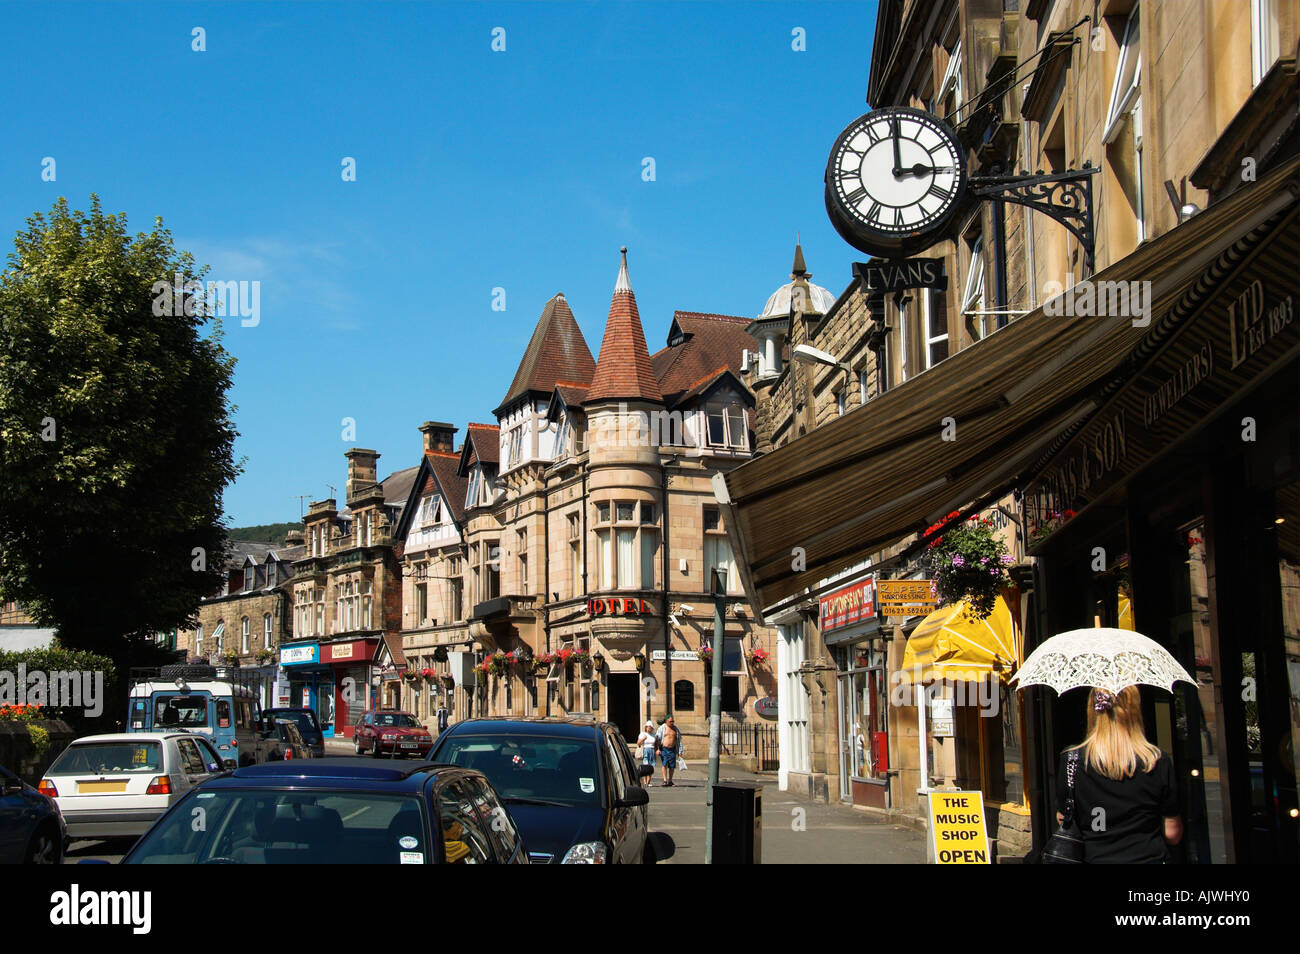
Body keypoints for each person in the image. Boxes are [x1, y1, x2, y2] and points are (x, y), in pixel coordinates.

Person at [1055, 686, 1184, 863]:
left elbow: (1064, 818)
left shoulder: (1072, 760)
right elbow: (1172, 834)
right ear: (1135, 711)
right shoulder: (1156, 761)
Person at [656, 716, 682, 787]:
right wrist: (658, 749)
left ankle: (670, 780)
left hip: (672, 749)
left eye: (673, 721)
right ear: (666, 721)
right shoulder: (662, 728)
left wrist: (680, 751)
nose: (672, 723)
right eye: (670, 721)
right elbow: (657, 739)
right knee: (664, 764)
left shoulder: (675, 729)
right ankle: (665, 780)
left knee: (672, 766)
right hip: (664, 749)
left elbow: (679, 740)